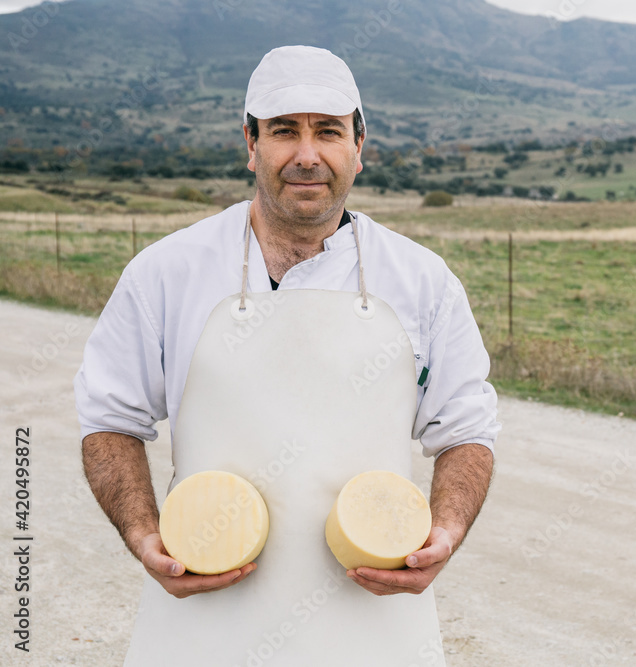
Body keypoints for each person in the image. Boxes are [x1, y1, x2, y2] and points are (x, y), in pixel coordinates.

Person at [75, 45, 499, 666]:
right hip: (203, 625)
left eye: (328, 131)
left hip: (373, 625)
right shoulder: (165, 272)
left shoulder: (423, 281)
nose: (307, 155)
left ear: (359, 145)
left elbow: (466, 430)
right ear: (250, 144)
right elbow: (109, 420)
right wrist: (143, 535)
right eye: (283, 131)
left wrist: (446, 533)